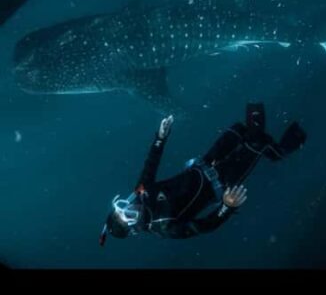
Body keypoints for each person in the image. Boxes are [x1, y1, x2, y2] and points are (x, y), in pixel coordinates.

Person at [99, 103, 306, 244]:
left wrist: (161, 137)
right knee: (256, 142)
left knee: (241, 129)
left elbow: (151, 164)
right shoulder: (166, 227)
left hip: (205, 162)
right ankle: (281, 149)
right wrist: (227, 206)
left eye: (123, 205)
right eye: (128, 214)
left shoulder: (141, 193)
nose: (131, 205)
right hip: (222, 182)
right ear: (134, 226)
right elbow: (206, 225)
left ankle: (270, 143)